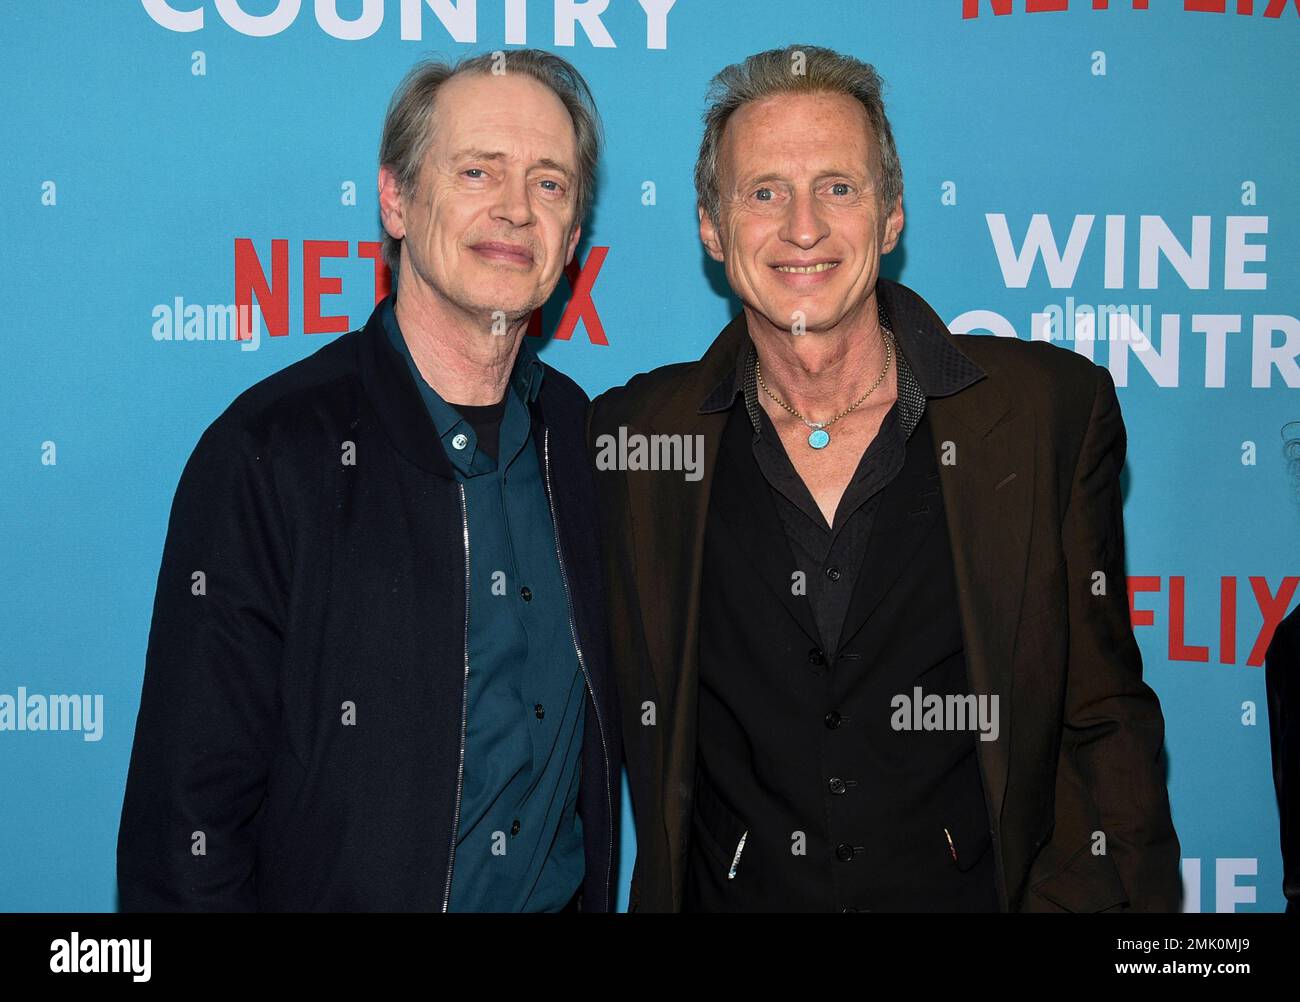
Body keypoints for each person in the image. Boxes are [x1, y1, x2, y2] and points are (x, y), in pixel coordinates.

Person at [589, 44, 1180, 913]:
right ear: (712, 228)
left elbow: (1105, 721)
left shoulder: (1048, 412)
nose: (803, 227)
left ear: (892, 213)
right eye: (763, 192)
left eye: (838, 187)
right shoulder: (633, 439)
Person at [118, 50, 619, 912]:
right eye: (476, 171)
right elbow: (185, 827)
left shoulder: (584, 441)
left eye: (549, 184)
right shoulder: (267, 456)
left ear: (573, 239)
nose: (514, 208)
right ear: (396, 198)